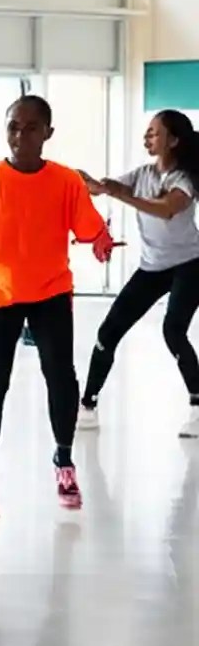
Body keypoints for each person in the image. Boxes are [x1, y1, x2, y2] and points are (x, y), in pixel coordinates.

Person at [0, 95, 116, 519]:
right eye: (13, 127)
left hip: (50, 293)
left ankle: (64, 459)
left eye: (30, 128)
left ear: (48, 133)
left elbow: (90, 228)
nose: (20, 136)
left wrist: (100, 242)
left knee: (60, 376)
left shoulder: (65, 181)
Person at [81, 110, 199, 438]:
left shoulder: (183, 180)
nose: (147, 137)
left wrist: (122, 195)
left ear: (173, 141)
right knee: (108, 332)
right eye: (147, 132)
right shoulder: (143, 173)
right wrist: (89, 183)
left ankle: (197, 404)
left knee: (173, 330)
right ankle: (87, 406)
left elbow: (166, 209)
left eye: (154, 132)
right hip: (152, 266)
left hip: (190, 264)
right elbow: (107, 187)